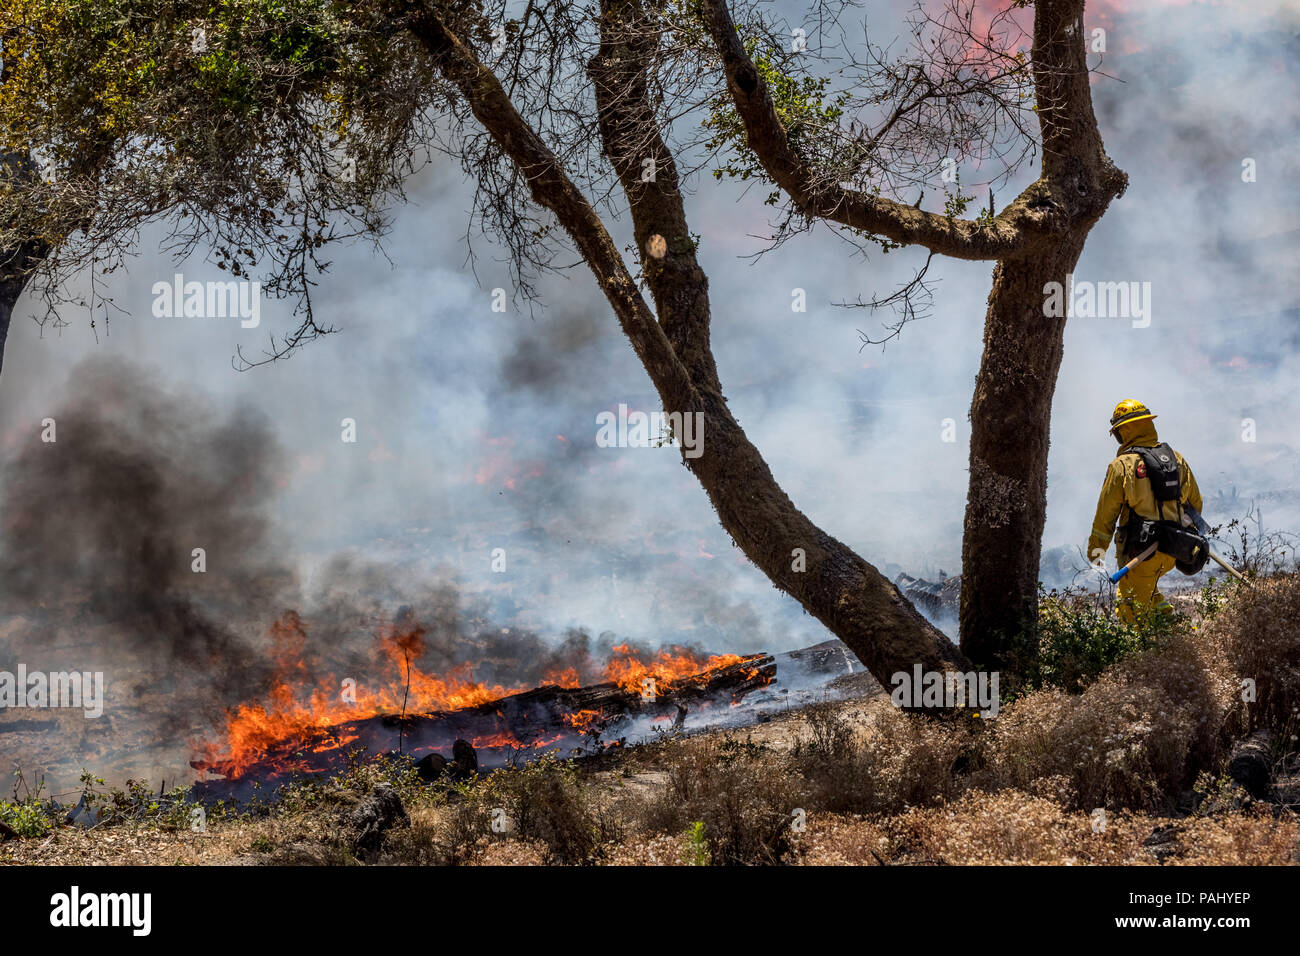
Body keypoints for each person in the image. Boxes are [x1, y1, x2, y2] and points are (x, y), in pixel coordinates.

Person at [1087, 400, 1203, 622]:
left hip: (1140, 553)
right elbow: (1195, 503)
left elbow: (1106, 515)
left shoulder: (1121, 465)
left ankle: (1154, 654)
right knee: (1149, 596)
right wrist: (1177, 528)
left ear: (1126, 430)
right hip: (1172, 549)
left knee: (1130, 610)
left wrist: (1097, 551)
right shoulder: (1175, 458)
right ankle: (1174, 631)